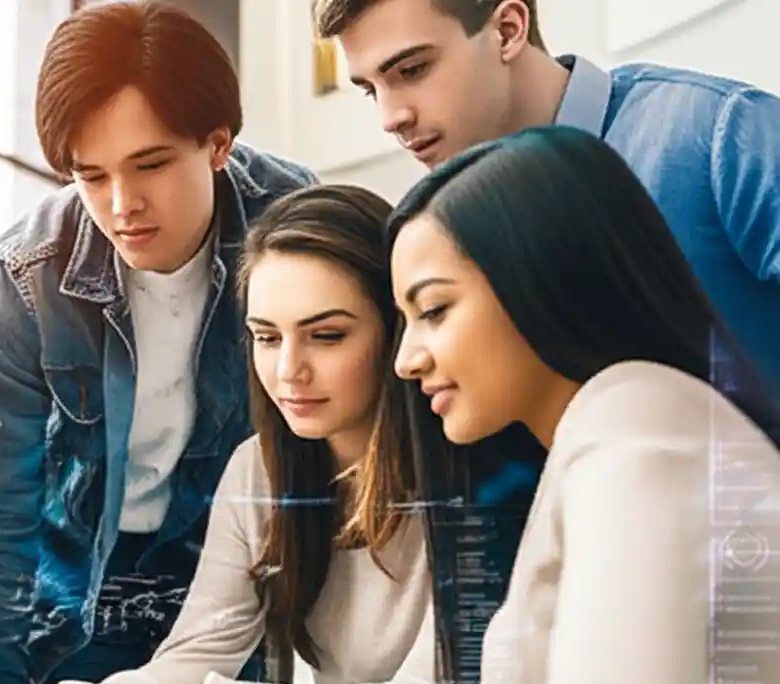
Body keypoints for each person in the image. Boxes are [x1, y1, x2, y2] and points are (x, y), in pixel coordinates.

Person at [0, 3, 318, 684]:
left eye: (151, 164)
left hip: (231, 581)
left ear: (217, 143)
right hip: (75, 598)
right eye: (91, 176)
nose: (123, 205)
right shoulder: (25, 275)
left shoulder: (294, 223)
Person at [0, 185, 435, 684]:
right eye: (267, 338)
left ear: (397, 329)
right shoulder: (260, 469)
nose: (289, 371)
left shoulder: (470, 473)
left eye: (327, 335)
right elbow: (205, 644)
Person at [388, 125, 780, 684]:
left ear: (543, 274)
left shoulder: (637, 430)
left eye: (434, 310)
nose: (406, 360)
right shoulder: (612, 429)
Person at [312, 0, 780, 397]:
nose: (390, 118)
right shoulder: (447, 227)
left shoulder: (718, 134)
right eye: (370, 90)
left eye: (413, 70)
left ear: (507, 30)